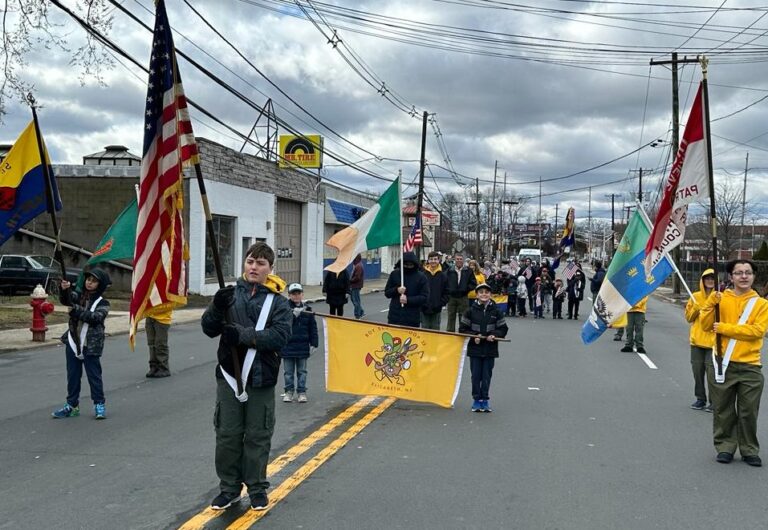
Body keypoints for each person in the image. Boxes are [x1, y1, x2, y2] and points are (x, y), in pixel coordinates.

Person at [201, 242, 292, 511]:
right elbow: (208, 328)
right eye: (250, 261)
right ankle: (229, 489)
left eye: (261, 263)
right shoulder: (229, 295)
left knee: (257, 435)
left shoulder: (278, 303)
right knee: (227, 434)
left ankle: (257, 488)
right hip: (229, 375)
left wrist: (242, 335)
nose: (254, 267)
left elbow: (280, 336)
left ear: (270, 269)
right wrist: (217, 308)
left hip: (261, 377)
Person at [701, 259, 768, 466]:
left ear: (754, 276)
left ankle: (749, 449)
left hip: (750, 365)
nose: (744, 276)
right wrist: (711, 304)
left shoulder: (761, 304)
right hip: (721, 363)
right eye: (739, 273)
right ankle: (725, 447)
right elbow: (705, 326)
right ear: (731, 277)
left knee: (749, 410)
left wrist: (726, 329)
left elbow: (757, 331)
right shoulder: (721, 299)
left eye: (748, 272)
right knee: (723, 409)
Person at [52, 268, 112, 420]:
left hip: (90, 345)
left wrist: (76, 311)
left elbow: (96, 317)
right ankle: (72, 405)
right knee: (73, 375)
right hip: (73, 342)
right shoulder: (78, 296)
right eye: (88, 280)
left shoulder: (103, 303)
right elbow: (67, 299)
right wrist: (64, 289)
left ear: (100, 284)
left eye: (94, 281)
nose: (89, 283)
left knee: (94, 376)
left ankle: (99, 404)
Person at [459, 283, 508, 413]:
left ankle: (485, 400)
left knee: (486, 376)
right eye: (481, 292)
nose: (484, 294)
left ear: (490, 294)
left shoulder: (496, 311)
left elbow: (503, 328)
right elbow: (462, 329)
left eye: (487, 292)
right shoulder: (470, 310)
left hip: (490, 349)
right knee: (475, 376)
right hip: (474, 350)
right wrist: (474, 336)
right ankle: (476, 400)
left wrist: (494, 335)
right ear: (477, 295)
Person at [684, 269, 716, 412]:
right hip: (697, 342)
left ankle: (714, 402)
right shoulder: (695, 296)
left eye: (712, 278)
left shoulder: (720, 297)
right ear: (702, 280)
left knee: (712, 374)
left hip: (713, 342)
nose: (710, 280)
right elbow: (688, 318)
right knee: (697, 372)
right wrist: (695, 309)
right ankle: (700, 399)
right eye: (707, 278)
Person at [282, 283, 318, 403]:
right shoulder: (284, 309)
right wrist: (293, 315)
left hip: (303, 346)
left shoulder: (308, 310)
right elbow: (281, 326)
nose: (296, 296)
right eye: (293, 294)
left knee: (302, 371)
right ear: (289, 295)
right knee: (288, 372)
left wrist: (314, 343)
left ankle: (302, 392)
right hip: (288, 345)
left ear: (302, 294)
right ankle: (289, 392)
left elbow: (313, 328)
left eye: (298, 293)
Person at [384, 251, 429, 327]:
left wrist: (408, 300)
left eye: (410, 265)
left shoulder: (421, 277)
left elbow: (424, 297)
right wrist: (396, 290)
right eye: (405, 265)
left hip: (412, 318)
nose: (408, 267)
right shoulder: (394, 274)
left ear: (414, 264)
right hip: (395, 316)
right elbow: (387, 293)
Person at [446, 253, 477, 332]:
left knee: (463, 317)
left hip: (463, 297)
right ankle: (450, 334)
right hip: (451, 297)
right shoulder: (450, 270)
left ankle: (462, 333)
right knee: (451, 316)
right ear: (454, 260)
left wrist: (466, 289)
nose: (459, 261)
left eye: (460, 259)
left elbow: (473, 283)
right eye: (457, 259)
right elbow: (445, 282)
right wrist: (449, 290)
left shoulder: (468, 271)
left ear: (463, 260)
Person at [421, 251, 449, 330]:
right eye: (431, 259)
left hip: (436, 309)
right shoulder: (422, 275)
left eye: (435, 259)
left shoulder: (443, 276)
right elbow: (419, 290)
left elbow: (447, 292)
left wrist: (441, 303)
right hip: (424, 309)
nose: (433, 261)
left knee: (435, 331)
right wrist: (422, 303)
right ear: (428, 261)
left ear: (438, 260)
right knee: (424, 330)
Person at [145, 308, 172, 378]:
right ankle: (154, 367)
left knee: (160, 344)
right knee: (151, 343)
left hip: (162, 318)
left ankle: (163, 368)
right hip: (150, 315)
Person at [349, 254, 365, 320]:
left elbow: (357, 277)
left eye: (353, 258)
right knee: (354, 299)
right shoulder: (358, 265)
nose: (352, 260)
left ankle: (357, 315)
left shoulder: (358, 266)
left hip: (355, 286)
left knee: (356, 301)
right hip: (355, 285)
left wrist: (350, 280)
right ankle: (361, 311)